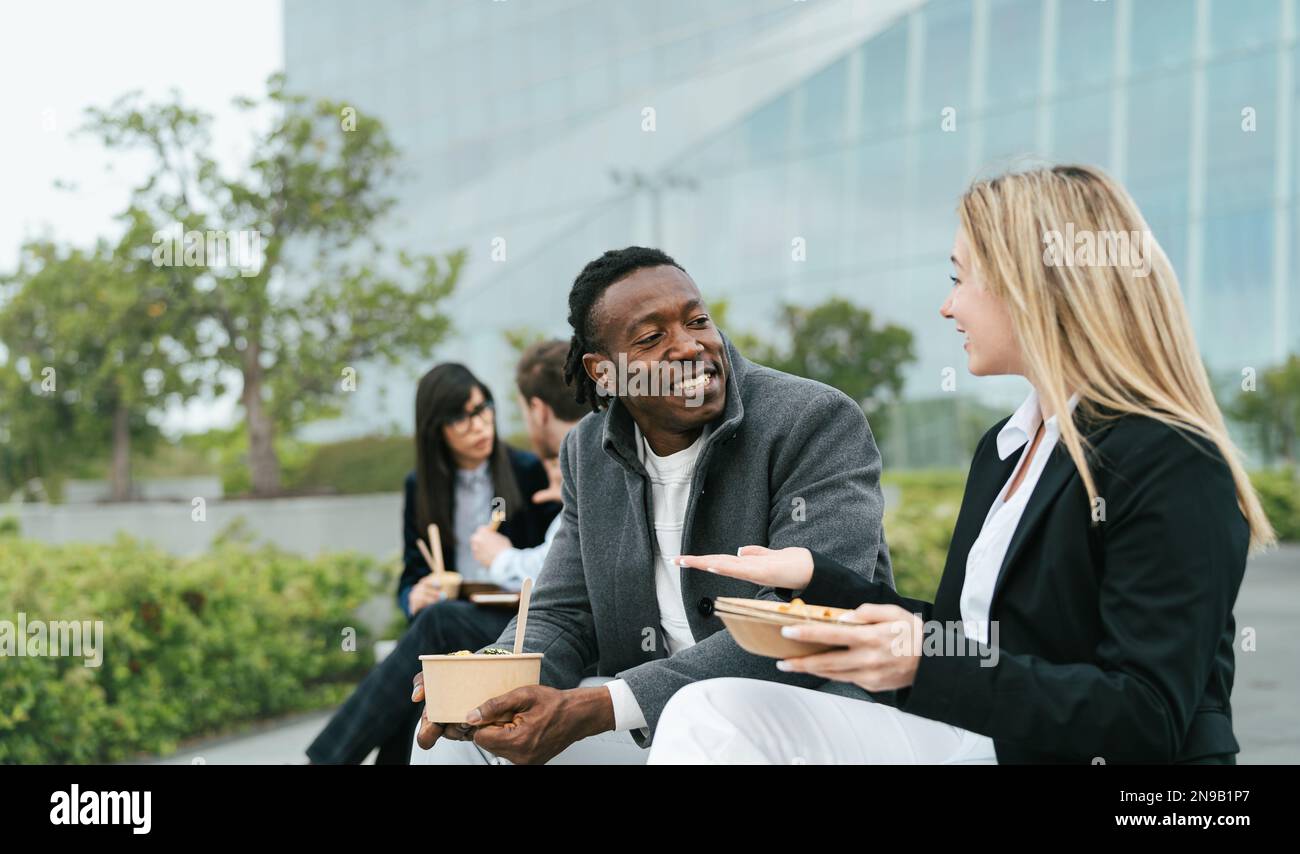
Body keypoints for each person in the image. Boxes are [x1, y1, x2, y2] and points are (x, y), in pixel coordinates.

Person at [649, 164, 1274, 764]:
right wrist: (821, 581)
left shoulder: (1170, 458)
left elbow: (1146, 717)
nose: (948, 308)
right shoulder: (1007, 448)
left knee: (716, 720)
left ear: (1032, 285)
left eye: (959, 278)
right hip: (975, 740)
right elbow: (969, 641)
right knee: (708, 712)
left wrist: (922, 663)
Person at [411, 246, 893, 765]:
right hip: (648, 717)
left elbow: (799, 621)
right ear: (604, 372)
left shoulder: (811, 420)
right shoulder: (586, 451)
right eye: (651, 338)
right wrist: (486, 681)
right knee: (458, 750)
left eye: (697, 321)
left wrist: (596, 707)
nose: (690, 347)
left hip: (797, 711)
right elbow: (563, 612)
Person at [306, 359, 566, 764]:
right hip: (448, 623)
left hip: (514, 623)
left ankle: (327, 759)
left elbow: (555, 565)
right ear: (436, 429)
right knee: (427, 653)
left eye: (483, 410)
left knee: (437, 626)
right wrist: (415, 593)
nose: (479, 425)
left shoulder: (528, 471)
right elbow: (412, 572)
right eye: (462, 419)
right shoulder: (422, 487)